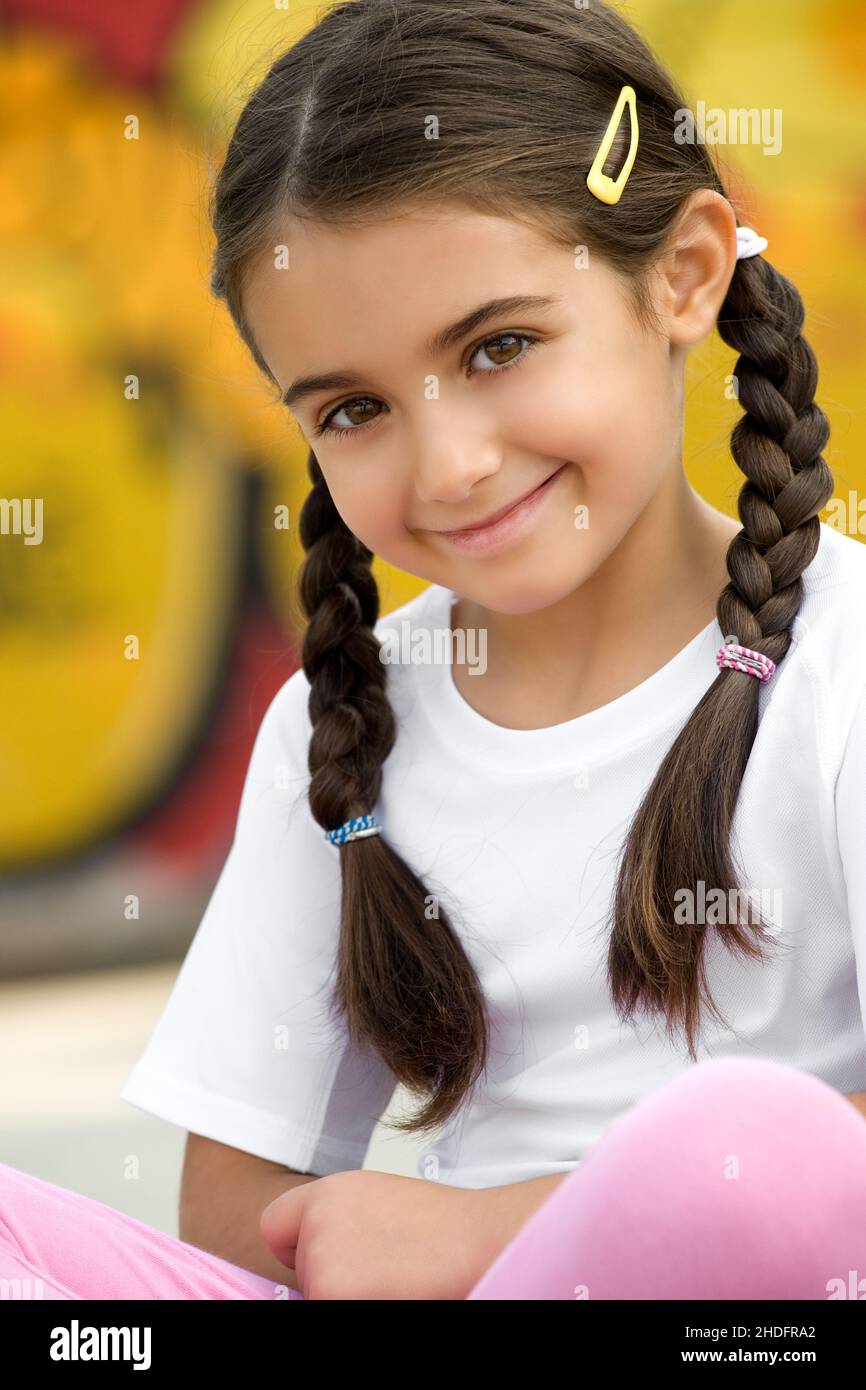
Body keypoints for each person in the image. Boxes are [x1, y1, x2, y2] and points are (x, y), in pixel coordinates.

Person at [4, 0, 866, 1301]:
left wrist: (482, 1236)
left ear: (682, 274)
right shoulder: (340, 724)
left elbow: (797, 1197)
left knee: (750, 1155)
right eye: (353, 409)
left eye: (499, 346)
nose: (450, 463)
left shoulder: (842, 669)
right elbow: (234, 1221)